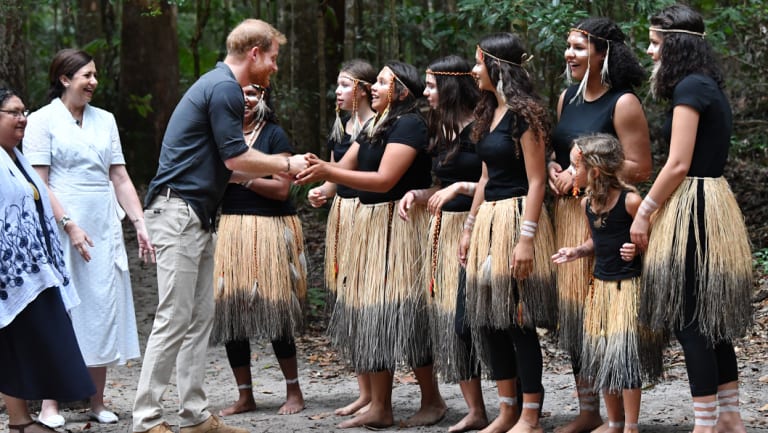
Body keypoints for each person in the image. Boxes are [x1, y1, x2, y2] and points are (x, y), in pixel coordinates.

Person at [131, 19, 308, 433]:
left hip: (198, 214)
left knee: (199, 319)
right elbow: (235, 159)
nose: (275, 67)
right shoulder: (224, 87)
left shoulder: (217, 86)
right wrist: (287, 162)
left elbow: (221, 169)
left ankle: (193, 415)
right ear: (255, 53)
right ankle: (145, 419)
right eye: (274, 58)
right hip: (177, 212)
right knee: (174, 316)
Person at [296, 61, 446, 429]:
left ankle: (433, 400)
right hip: (370, 226)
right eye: (375, 81)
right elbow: (346, 165)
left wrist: (327, 172)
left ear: (403, 91)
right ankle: (380, 405)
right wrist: (322, 177)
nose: (374, 87)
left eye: (382, 82)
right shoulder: (376, 124)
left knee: (404, 315)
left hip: (398, 224)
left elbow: (383, 179)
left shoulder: (409, 124)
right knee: (370, 314)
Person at [631, 5, 753, 433]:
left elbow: (678, 163)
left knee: (690, 317)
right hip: (710, 202)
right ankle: (730, 418)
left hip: (694, 204)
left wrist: (645, 212)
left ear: (677, 43)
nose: (649, 51)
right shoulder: (707, 85)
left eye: (655, 42)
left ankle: (706, 424)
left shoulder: (689, 88)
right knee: (709, 316)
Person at [22, 48, 154, 428]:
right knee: (63, 310)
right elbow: (39, 182)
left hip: (103, 223)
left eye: (95, 75)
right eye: (87, 75)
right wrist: (69, 224)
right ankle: (50, 404)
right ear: (65, 79)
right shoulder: (43, 120)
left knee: (102, 305)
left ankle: (97, 401)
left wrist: (139, 223)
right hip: (62, 220)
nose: (94, 82)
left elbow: (120, 177)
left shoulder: (106, 120)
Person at [547, 18, 651, 433]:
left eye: (578, 47)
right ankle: (589, 410)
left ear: (603, 53)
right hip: (570, 215)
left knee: (610, 321)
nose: (569, 54)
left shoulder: (623, 103)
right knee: (578, 317)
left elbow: (641, 167)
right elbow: (561, 154)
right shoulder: (566, 98)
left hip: (608, 216)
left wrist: (587, 169)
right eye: (568, 46)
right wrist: (558, 169)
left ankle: (622, 419)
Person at [458, 33, 556, 433]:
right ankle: (506, 411)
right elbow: (484, 177)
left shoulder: (523, 115)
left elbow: (536, 182)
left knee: (517, 320)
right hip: (487, 223)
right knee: (488, 320)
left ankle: (530, 415)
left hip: (517, 219)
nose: (474, 69)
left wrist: (526, 239)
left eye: (479, 62)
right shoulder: (488, 113)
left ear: (496, 65)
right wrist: (468, 227)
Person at [397, 55, 486, 433]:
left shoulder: (484, 127)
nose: (426, 92)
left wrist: (459, 188)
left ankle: (516, 408)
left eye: (432, 86)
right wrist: (418, 193)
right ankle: (476, 410)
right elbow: (440, 186)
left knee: (477, 323)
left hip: (479, 230)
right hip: (442, 232)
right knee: (452, 322)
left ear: (450, 87)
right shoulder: (441, 130)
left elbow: (494, 180)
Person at [552, 134, 664, 433]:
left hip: (626, 288)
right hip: (599, 288)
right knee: (603, 357)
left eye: (576, 167)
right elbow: (596, 241)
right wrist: (576, 251)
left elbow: (652, 241)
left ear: (596, 171)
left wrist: (637, 248)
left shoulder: (631, 201)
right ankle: (613, 423)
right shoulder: (587, 203)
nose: (571, 173)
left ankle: (630, 426)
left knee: (625, 357)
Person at [0, 87, 96, 433]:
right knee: (18, 341)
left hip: (33, 268)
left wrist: (68, 225)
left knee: (24, 342)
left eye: (24, 111)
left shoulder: (15, 157)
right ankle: (21, 421)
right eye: (13, 112)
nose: (22, 118)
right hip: (10, 272)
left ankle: (22, 422)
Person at [210, 84, 306, 417]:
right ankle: (245, 396)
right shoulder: (225, 137)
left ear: (265, 97)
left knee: (277, 312)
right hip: (233, 229)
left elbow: (281, 189)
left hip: (270, 227)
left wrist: (240, 177)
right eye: (241, 93)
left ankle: (294, 391)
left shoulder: (274, 136)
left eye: (255, 93)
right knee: (232, 315)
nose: (247, 99)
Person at [307, 59, 377, 417]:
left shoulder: (378, 126)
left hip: (369, 217)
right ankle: (364, 391)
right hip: (343, 216)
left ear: (364, 88)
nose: (338, 92)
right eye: (337, 85)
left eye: (345, 86)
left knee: (366, 300)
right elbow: (338, 174)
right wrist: (324, 190)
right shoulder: (342, 127)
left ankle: (376, 395)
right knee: (347, 299)